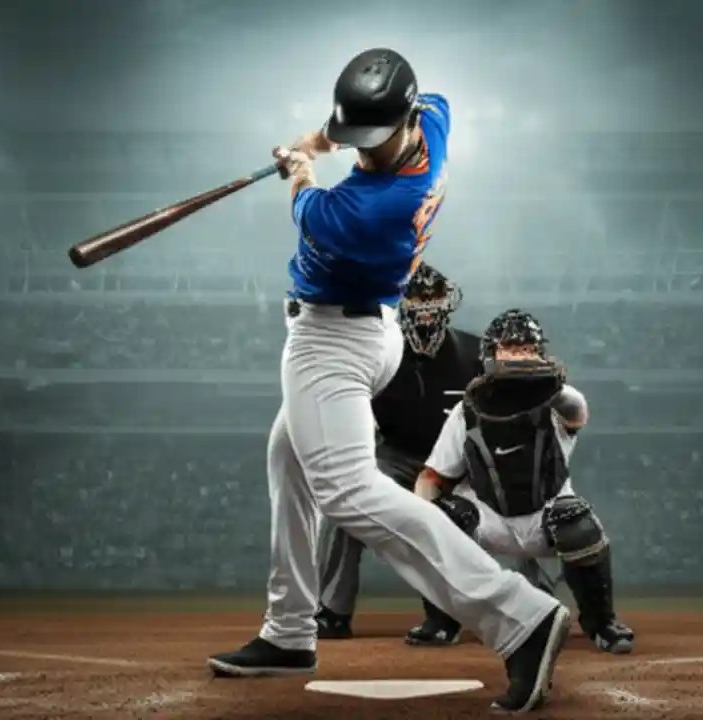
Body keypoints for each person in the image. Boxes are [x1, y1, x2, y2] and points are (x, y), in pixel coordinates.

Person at [206, 49, 570, 713]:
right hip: (375, 334)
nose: (364, 155)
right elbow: (432, 106)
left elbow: (305, 204)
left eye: (371, 144)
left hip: (330, 343)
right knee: (288, 459)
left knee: (347, 491)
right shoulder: (430, 120)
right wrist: (321, 137)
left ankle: (521, 615)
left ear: (399, 125)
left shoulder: (364, 212)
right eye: (356, 142)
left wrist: (301, 164)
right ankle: (290, 630)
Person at [313, 263, 558, 646]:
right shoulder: (379, 353)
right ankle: (332, 610)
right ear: (401, 300)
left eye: (432, 297)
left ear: (448, 300)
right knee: (347, 498)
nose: (426, 306)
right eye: (417, 297)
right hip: (396, 456)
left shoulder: (474, 355)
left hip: (461, 462)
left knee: (507, 496)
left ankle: (536, 600)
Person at [413, 309, 637, 655]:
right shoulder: (467, 409)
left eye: (526, 347)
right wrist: (422, 516)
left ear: (540, 353)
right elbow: (434, 475)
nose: (518, 353)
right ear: (491, 353)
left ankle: (601, 623)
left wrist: (549, 389)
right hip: (487, 517)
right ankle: (442, 621)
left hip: (545, 516)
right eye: (509, 347)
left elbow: (577, 412)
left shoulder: (559, 401)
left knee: (576, 520)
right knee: (440, 519)